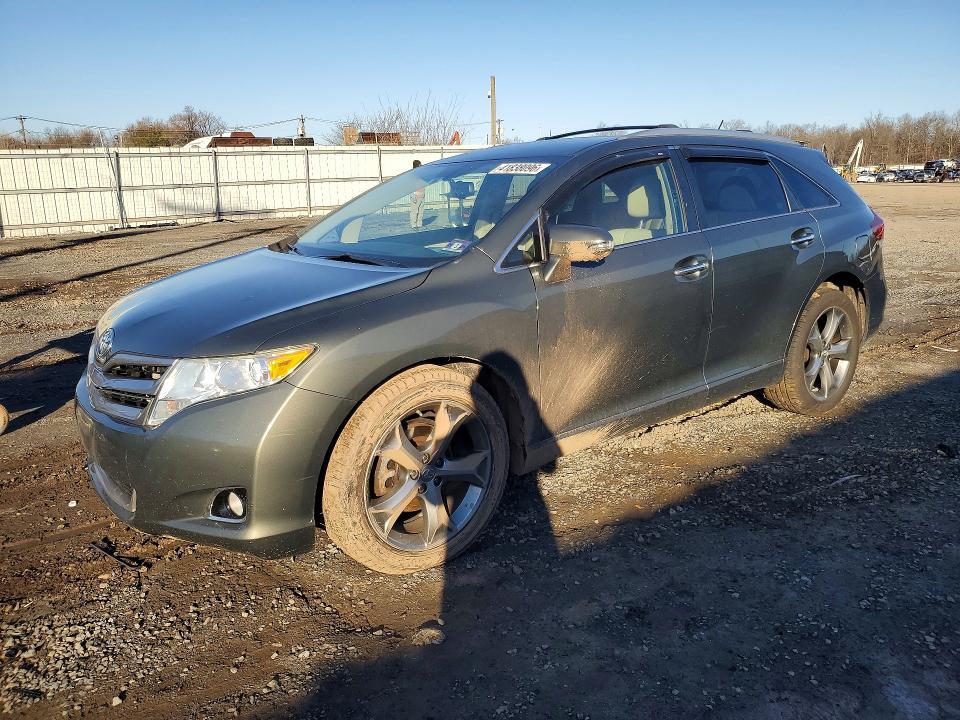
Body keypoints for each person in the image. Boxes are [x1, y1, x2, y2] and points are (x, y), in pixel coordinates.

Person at [410, 160, 426, 229]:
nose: (421, 166)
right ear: (417, 165)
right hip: (415, 196)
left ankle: (419, 224)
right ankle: (413, 224)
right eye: (420, 165)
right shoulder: (413, 174)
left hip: (422, 195)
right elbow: (410, 185)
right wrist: (412, 195)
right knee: (414, 211)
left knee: (421, 211)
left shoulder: (421, 174)